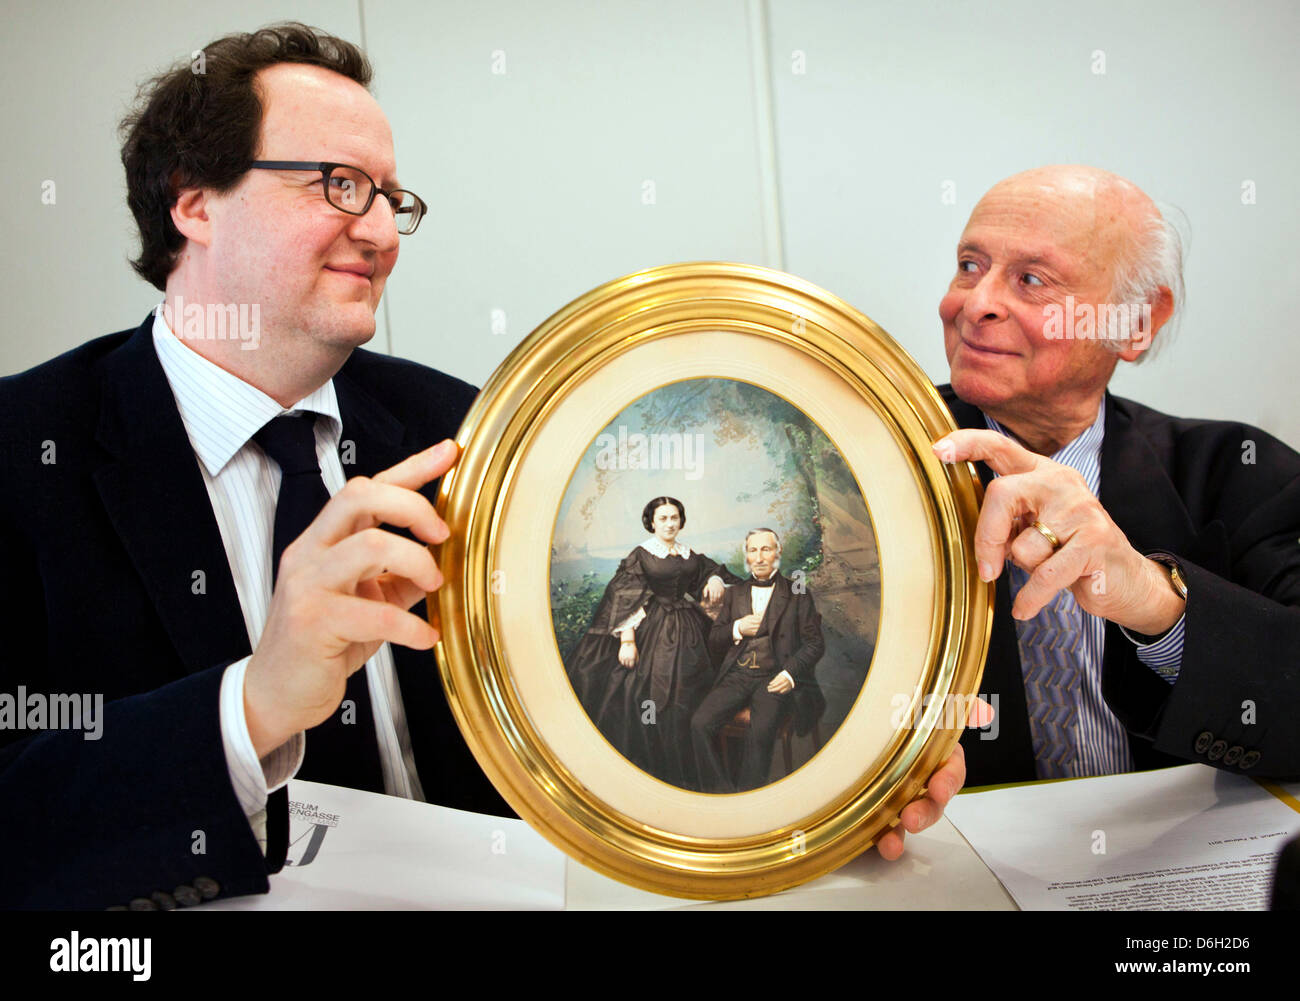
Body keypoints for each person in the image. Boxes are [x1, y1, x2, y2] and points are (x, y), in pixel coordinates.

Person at [0, 24, 508, 910]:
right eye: (340, 186)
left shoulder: (463, 428)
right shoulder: (22, 448)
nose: (383, 232)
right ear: (193, 203)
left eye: (393, 197)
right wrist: (254, 704)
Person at [930, 164, 1300, 788]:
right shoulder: (872, 467)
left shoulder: (1240, 471)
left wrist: (1156, 600)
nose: (976, 303)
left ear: (1136, 322)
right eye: (970, 265)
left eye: (1030, 279)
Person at [566, 497, 740, 789]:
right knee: (651, 698)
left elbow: (711, 571)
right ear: (652, 522)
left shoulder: (687, 554)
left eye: (674, 518)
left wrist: (714, 580)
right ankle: (660, 773)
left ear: (681, 521)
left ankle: (696, 767)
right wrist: (628, 640)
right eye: (663, 519)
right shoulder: (642, 554)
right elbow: (624, 596)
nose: (670, 523)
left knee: (695, 693)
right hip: (652, 628)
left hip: (690, 626)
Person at [691, 529, 826, 793]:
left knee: (759, 733)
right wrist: (738, 628)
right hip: (738, 675)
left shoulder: (798, 592)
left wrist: (789, 675)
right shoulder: (734, 594)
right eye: (753, 550)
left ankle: (747, 800)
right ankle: (721, 793)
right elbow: (715, 640)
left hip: (773, 677)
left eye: (766, 549)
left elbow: (815, 643)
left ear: (778, 552)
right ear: (747, 557)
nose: (760, 557)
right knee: (699, 724)